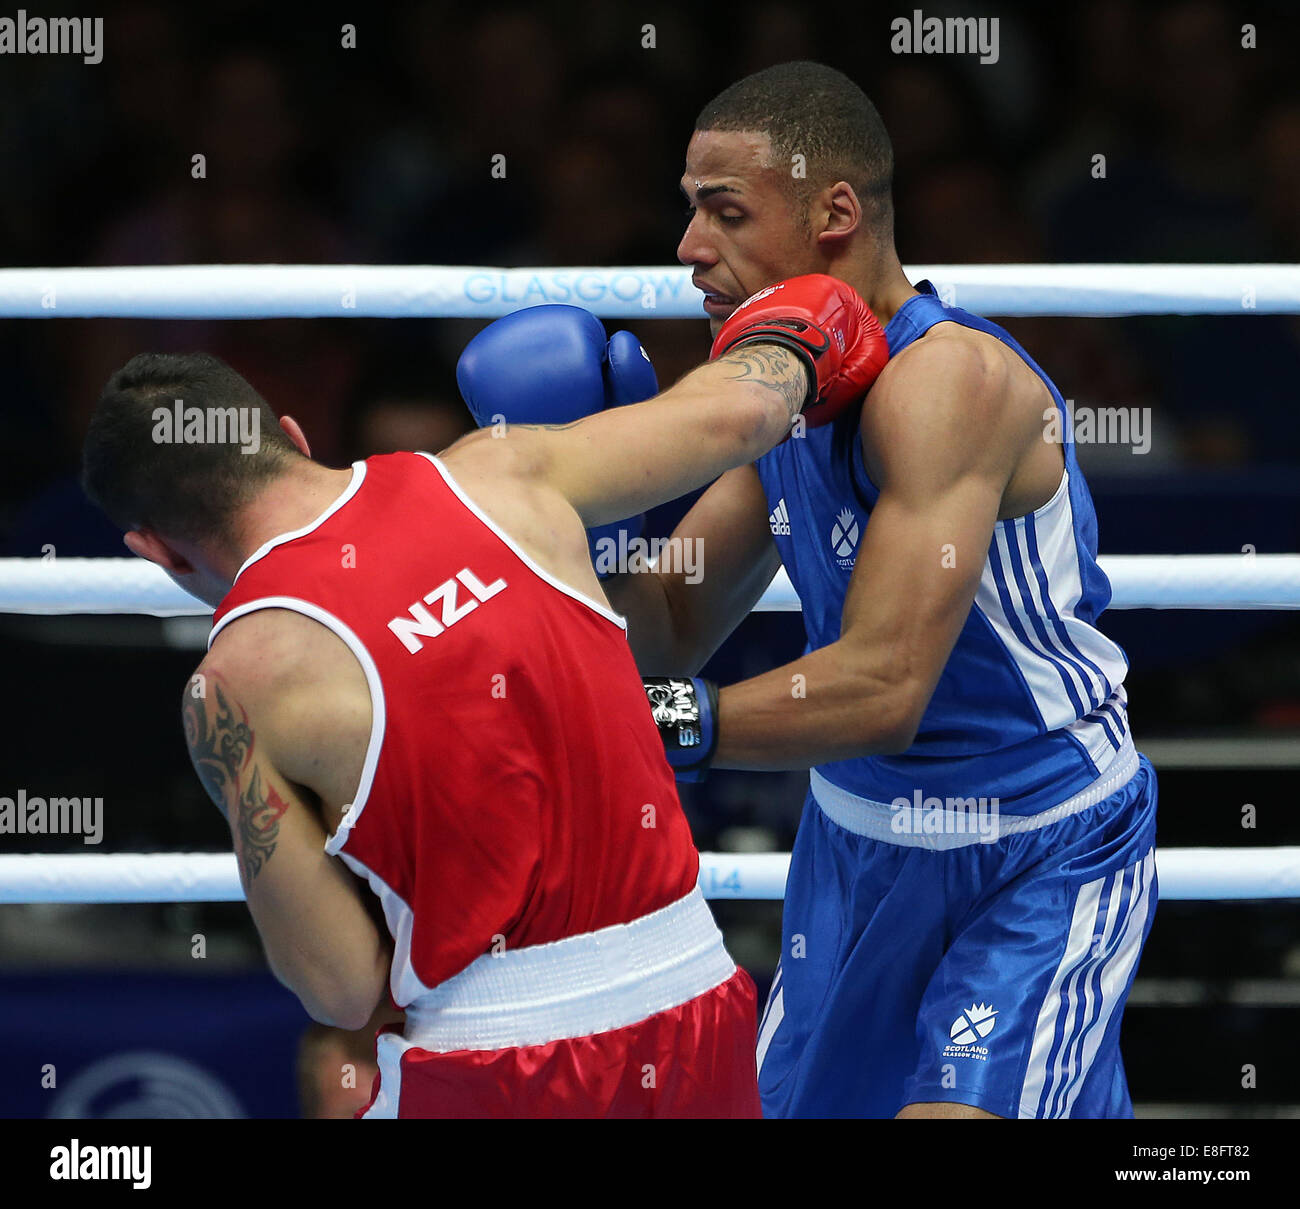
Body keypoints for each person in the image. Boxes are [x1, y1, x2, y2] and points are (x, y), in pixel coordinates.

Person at [79, 278, 888, 1119]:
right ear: (292, 435)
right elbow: (745, 414)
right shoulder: (501, 469)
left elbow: (343, 987)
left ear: (154, 551)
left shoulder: (232, 689)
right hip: (696, 997)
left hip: (492, 1057)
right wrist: (828, 306)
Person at [602, 61, 1158, 1119]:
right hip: (854, 849)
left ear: (835, 212)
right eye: (690, 213)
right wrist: (594, 522)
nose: (689, 250)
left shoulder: (947, 382)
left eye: (725, 213)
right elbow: (668, 626)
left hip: (1032, 847)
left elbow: (883, 685)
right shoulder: (781, 386)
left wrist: (651, 726)